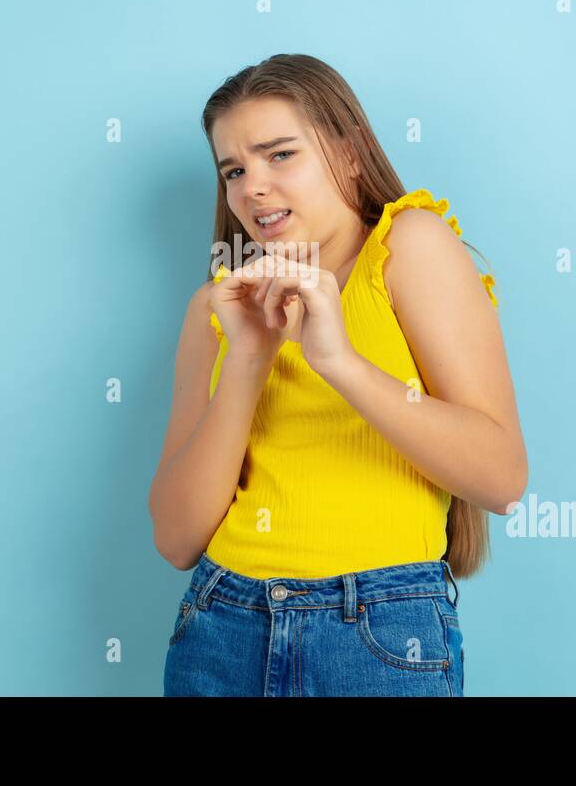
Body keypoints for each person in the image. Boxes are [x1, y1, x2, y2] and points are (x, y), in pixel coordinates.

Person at [148, 53, 528, 696]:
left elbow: (501, 479)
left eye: (280, 155)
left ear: (349, 152)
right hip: (223, 622)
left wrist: (337, 361)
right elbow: (177, 538)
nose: (252, 188)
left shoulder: (409, 247)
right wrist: (248, 359)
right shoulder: (217, 308)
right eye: (234, 170)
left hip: (380, 631)